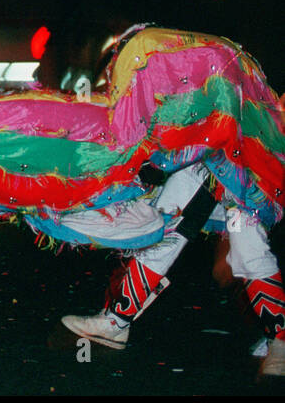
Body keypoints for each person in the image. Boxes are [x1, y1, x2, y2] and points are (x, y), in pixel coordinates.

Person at [61, 161, 285, 376]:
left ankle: (281, 338)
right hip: (208, 151)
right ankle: (116, 320)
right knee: (164, 225)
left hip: (254, 155)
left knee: (247, 249)